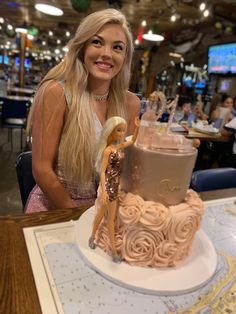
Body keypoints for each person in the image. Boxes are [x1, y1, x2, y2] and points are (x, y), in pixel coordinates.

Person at [24, 9, 140, 213]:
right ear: (82, 47)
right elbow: (42, 170)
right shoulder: (55, 92)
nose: (106, 53)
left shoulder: (131, 103)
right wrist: (80, 217)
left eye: (117, 47)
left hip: (104, 209)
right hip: (56, 207)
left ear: (125, 57)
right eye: (97, 42)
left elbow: (123, 170)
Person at [88, 116, 140, 262]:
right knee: (109, 218)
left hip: (116, 186)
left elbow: (133, 141)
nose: (122, 133)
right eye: (119, 130)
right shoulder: (108, 151)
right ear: (111, 132)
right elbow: (102, 172)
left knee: (103, 214)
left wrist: (137, 127)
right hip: (108, 186)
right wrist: (104, 191)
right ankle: (112, 250)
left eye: (123, 130)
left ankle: (93, 236)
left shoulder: (119, 146)